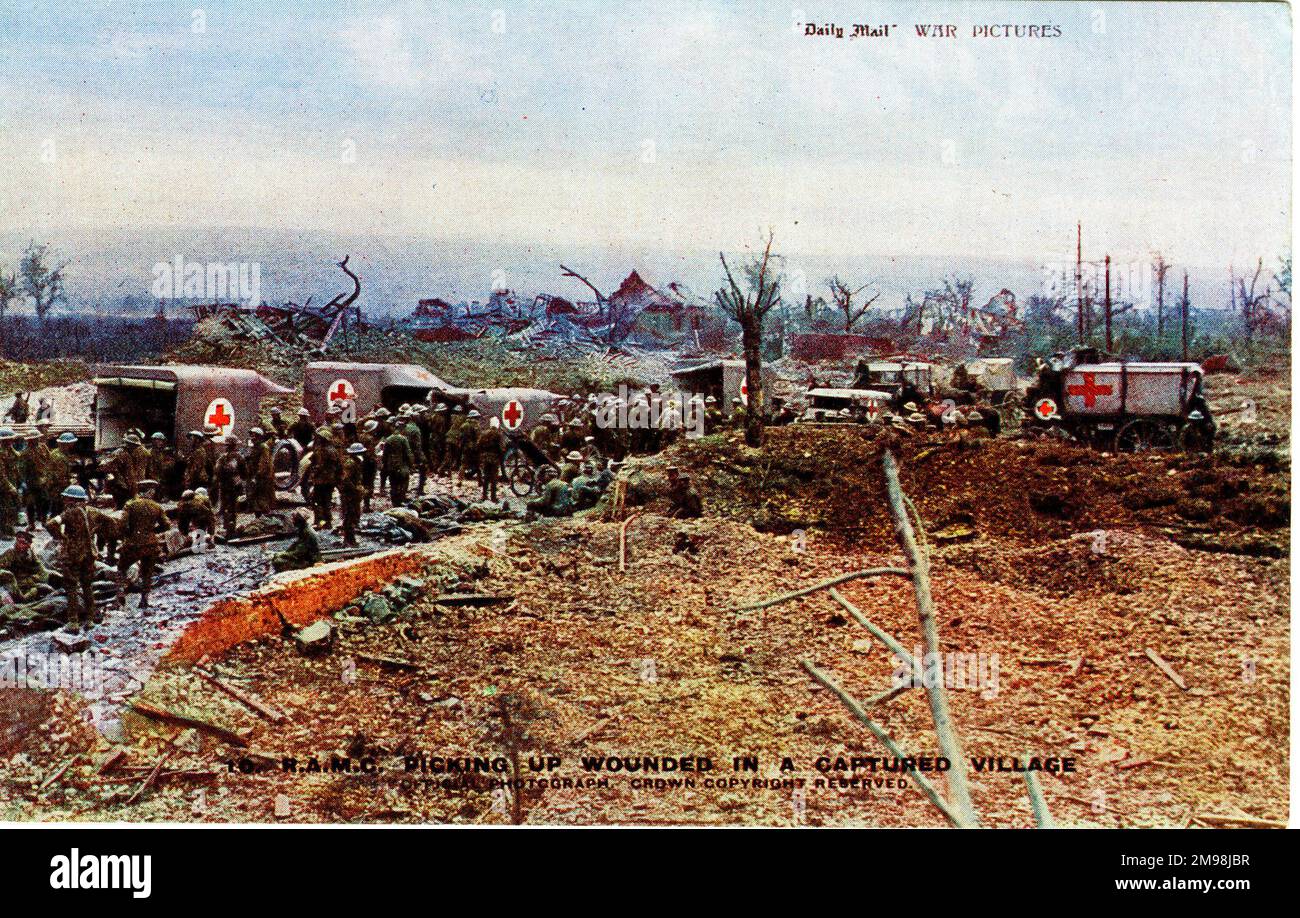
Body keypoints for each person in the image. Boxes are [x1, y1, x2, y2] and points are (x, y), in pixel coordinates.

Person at [47, 485, 98, 631]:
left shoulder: (69, 513)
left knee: (71, 587)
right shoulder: (90, 512)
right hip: (89, 554)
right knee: (87, 586)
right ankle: (90, 619)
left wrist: (61, 537)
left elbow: (50, 524)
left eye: (66, 497)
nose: (64, 500)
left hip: (73, 555)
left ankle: (73, 622)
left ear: (72, 499)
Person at [117, 480, 167, 610]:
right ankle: (144, 600)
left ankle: (121, 593)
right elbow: (166, 525)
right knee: (147, 573)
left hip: (132, 543)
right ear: (150, 491)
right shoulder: (157, 507)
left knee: (122, 567)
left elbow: (122, 525)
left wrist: (129, 534)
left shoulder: (130, 505)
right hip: (150, 544)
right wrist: (152, 532)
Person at [0, 530, 51, 604]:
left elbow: (39, 565)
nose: (22, 545)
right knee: (30, 594)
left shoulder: (29, 551)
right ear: (17, 540)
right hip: (15, 582)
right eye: (20, 542)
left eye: (26, 543)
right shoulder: (10, 552)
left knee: (50, 579)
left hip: (29, 579)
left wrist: (44, 577)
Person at [214, 436, 248, 539]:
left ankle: (225, 526)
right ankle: (231, 528)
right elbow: (244, 473)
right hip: (234, 486)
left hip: (224, 485)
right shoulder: (239, 457)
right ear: (235, 445)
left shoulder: (222, 457)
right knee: (232, 507)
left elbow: (217, 471)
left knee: (224, 506)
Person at [308, 427, 341, 529]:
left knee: (317, 500)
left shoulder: (323, 451)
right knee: (326, 500)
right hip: (330, 480)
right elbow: (338, 466)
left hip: (322, 480)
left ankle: (320, 521)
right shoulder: (333, 450)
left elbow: (319, 465)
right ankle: (327, 522)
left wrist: (312, 476)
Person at [339, 442, 366, 547]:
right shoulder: (350, 464)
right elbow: (346, 480)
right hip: (349, 495)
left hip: (353, 495)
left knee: (353, 516)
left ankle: (350, 539)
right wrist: (355, 489)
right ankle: (348, 540)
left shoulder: (356, 462)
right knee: (349, 517)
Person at [246, 428, 277, 514]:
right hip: (257, 476)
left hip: (263, 477)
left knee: (262, 499)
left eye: (253, 435)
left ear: (258, 437)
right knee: (256, 499)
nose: (252, 437)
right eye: (251, 435)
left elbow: (264, 463)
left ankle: (267, 518)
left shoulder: (263, 447)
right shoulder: (255, 447)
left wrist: (257, 476)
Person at [382, 422, 413, 506]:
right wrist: (411, 464)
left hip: (391, 466)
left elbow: (385, 455)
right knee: (403, 483)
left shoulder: (388, 439)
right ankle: (401, 500)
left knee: (393, 485)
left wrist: (385, 465)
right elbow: (408, 453)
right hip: (402, 465)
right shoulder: (403, 439)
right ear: (401, 429)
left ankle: (394, 503)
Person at [476, 416, 506, 502]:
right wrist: (501, 458)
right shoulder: (498, 434)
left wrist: (482, 454)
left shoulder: (484, 433)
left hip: (485, 458)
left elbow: (478, 444)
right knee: (493, 478)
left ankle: (484, 496)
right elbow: (502, 448)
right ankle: (493, 497)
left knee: (486, 477)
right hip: (494, 459)